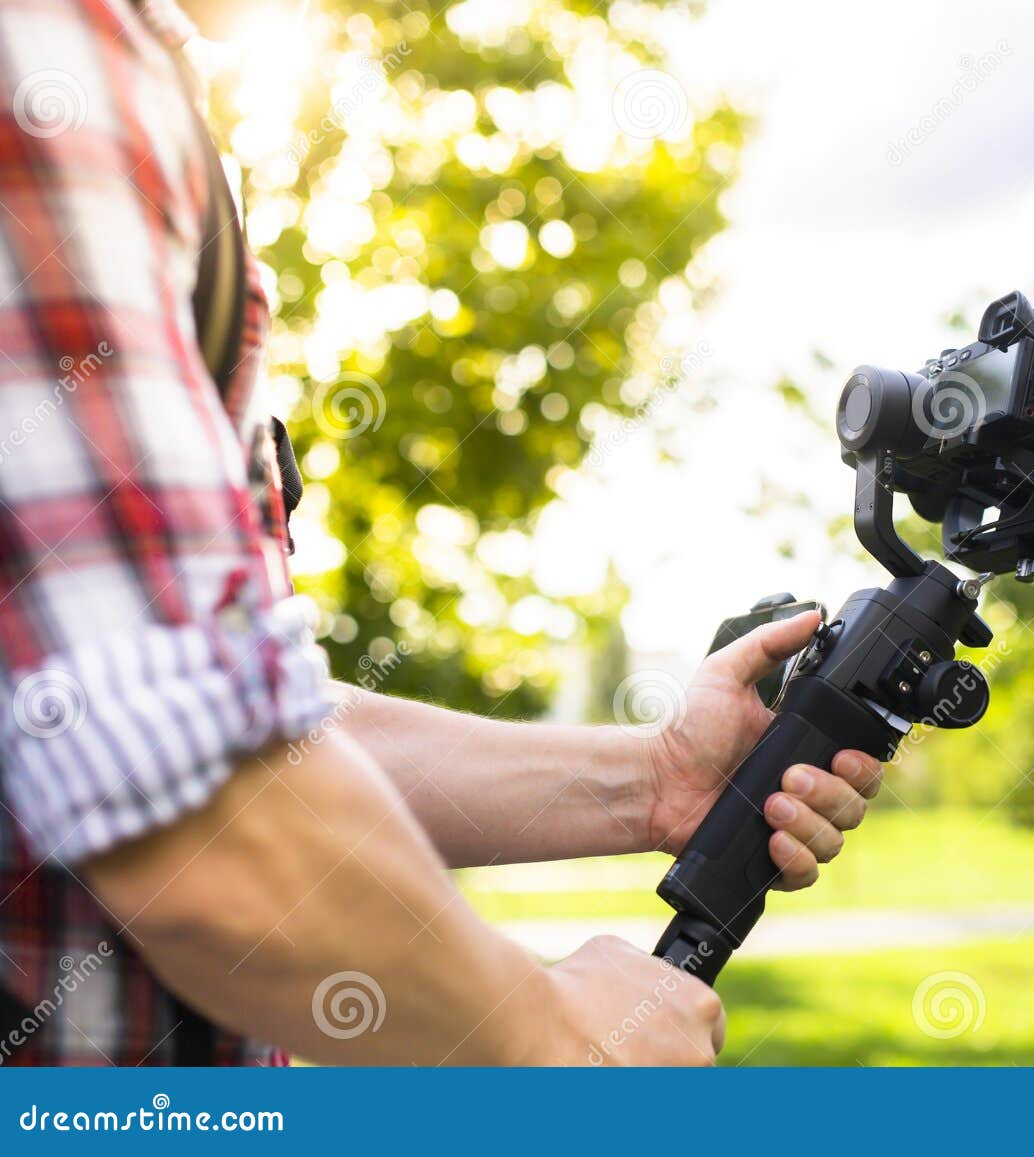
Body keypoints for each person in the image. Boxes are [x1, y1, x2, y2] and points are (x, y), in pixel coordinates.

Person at [0, 0, 883, 1066]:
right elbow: (181, 793)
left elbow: (225, 719)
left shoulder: (140, 90)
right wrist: (550, 1042)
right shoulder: (57, 60)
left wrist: (655, 779)